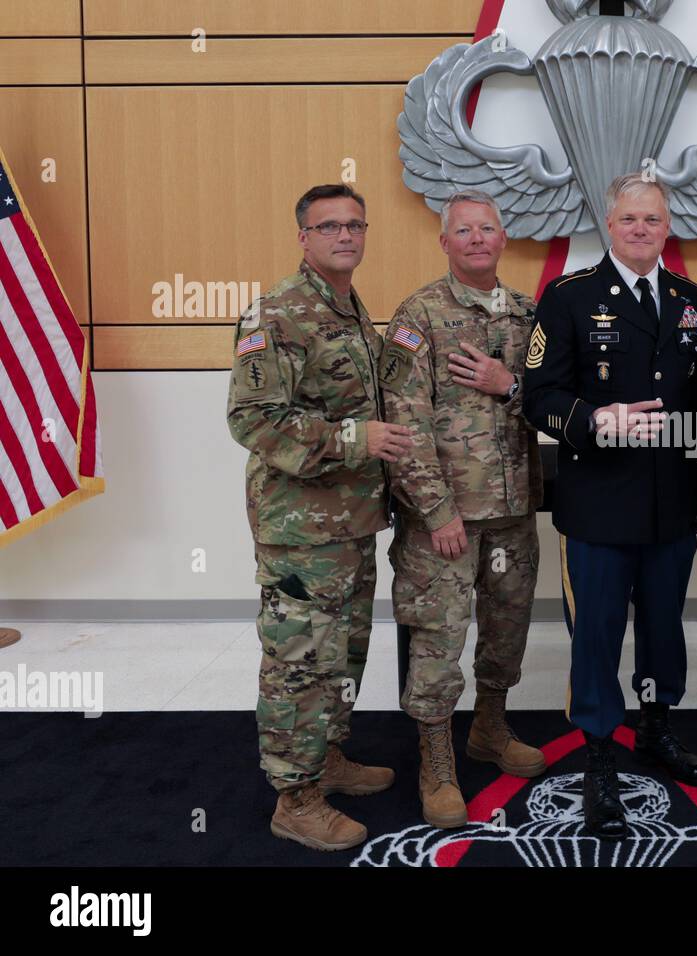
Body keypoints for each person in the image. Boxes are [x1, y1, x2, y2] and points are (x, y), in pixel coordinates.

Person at [523, 174, 697, 840]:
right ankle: (600, 757)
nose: (641, 229)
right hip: (599, 504)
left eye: (653, 219)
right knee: (598, 636)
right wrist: (594, 419)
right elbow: (537, 393)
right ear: (610, 224)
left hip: (672, 502)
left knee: (665, 626)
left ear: (668, 228)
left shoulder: (691, 299)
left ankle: (658, 728)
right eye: (630, 218)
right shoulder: (569, 297)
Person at [227, 183, 415, 851]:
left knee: (343, 653)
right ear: (302, 237)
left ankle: (327, 756)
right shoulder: (276, 313)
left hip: (351, 523)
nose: (346, 235)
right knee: (298, 659)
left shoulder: (350, 309)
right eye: (329, 226)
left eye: (355, 225)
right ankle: (294, 795)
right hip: (299, 529)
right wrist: (353, 440)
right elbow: (252, 420)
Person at [379, 190, 545, 829]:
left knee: (506, 632)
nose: (477, 239)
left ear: (503, 239)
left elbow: (550, 394)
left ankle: (490, 730)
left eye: (488, 229)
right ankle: (437, 764)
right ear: (444, 243)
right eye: (463, 231)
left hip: (512, 513)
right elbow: (402, 423)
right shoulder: (416, 316)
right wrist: (436, 508)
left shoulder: (528, 314)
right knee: (438, 642)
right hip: (443, 520)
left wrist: (512, 384)